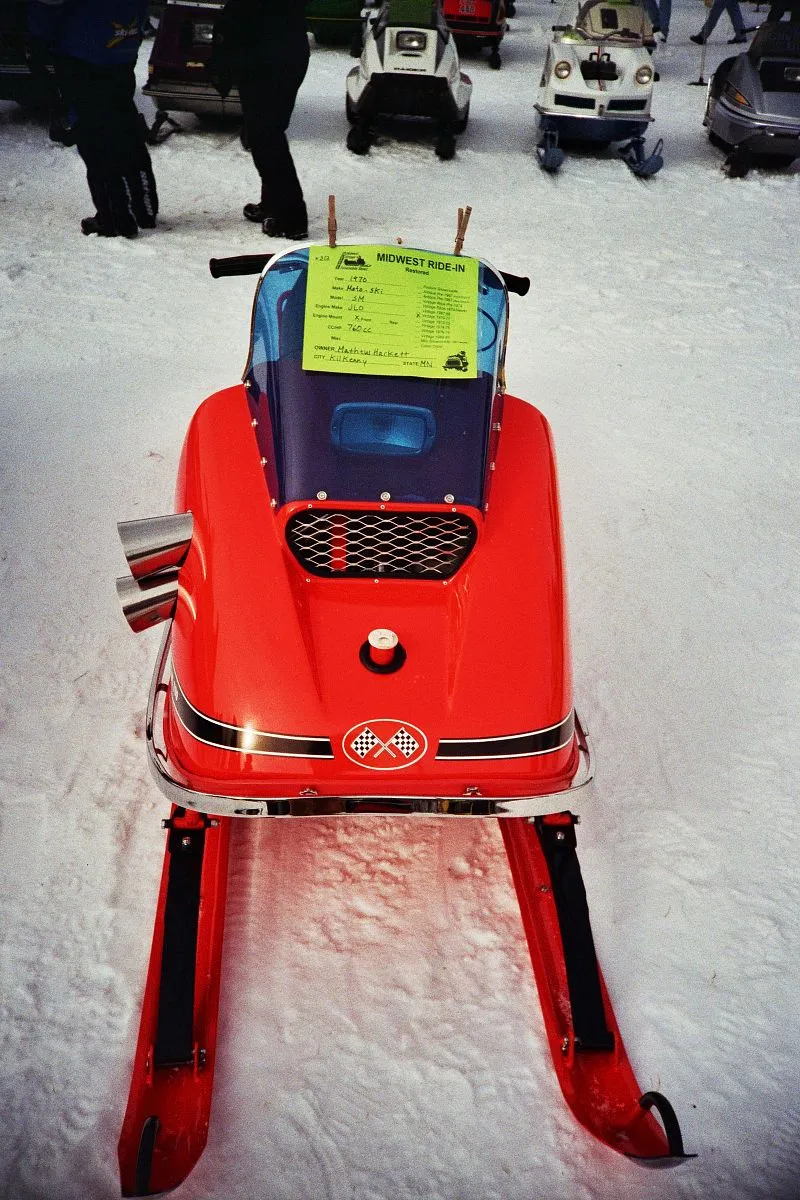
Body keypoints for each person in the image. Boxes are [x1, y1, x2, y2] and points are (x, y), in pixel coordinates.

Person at [212, 0, 310, 240]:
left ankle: (292, 218)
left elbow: (234, 22)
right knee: (267, 135)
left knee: (266, 138)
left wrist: (221, 69)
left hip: (267, 62)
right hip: (284, 56)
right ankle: (273, 204)